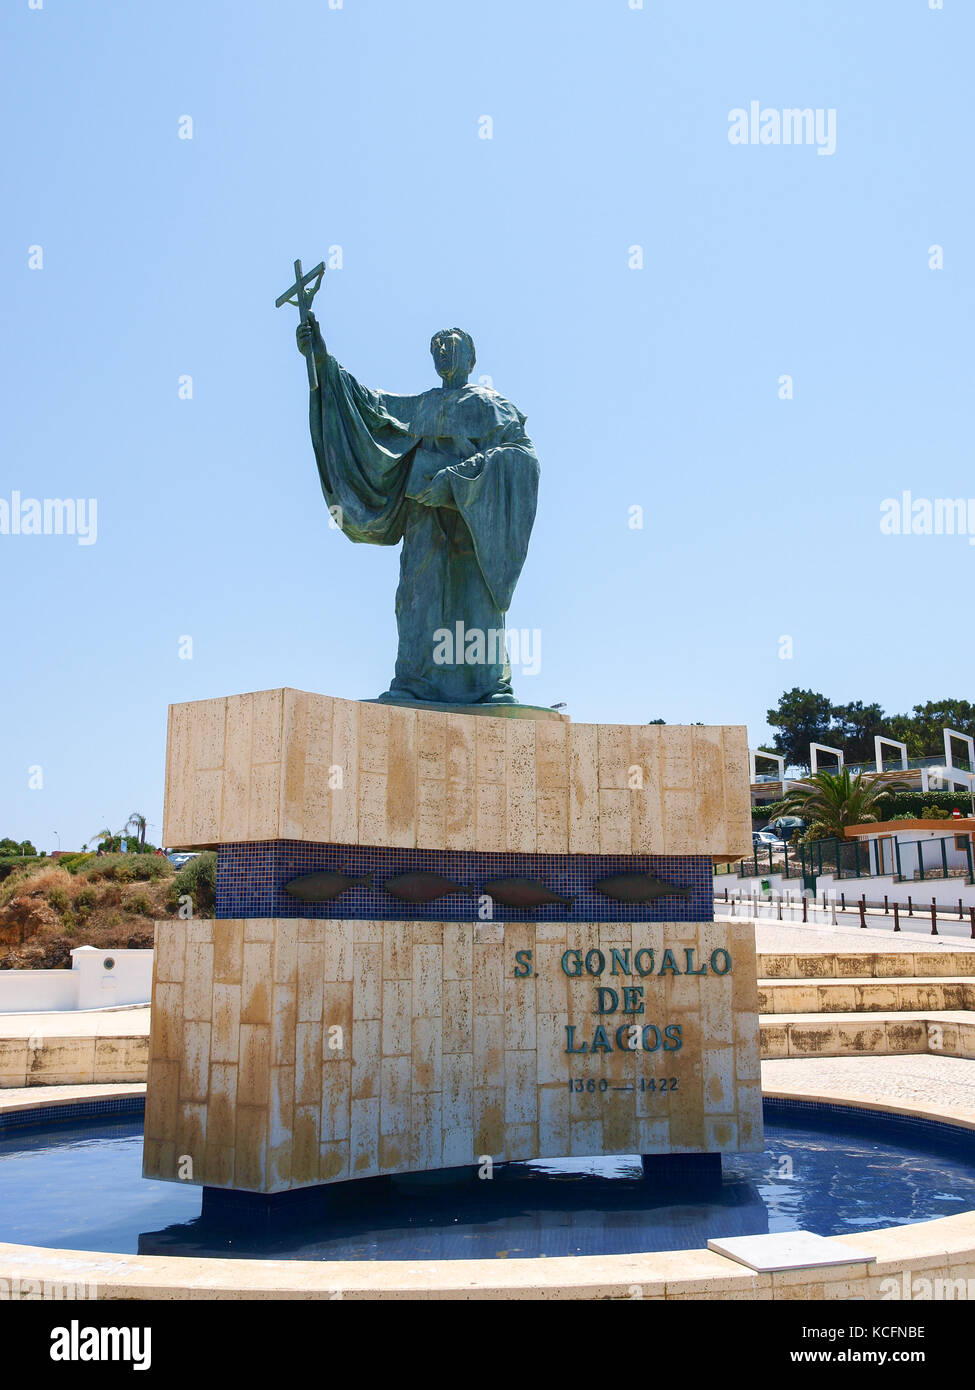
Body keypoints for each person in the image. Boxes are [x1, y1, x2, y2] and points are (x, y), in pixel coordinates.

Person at [297, 317, 539, 705]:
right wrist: (323, 360)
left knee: (475, 601)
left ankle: (486, 685)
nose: (443, 349)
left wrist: (460, 481)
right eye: (436, 345)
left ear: (471, 357)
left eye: (452, 343)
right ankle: (415, 682)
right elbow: (367, 409)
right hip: (423, 523)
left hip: (473, 524)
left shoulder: (492, 405)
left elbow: (522, 459)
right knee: (417, 598)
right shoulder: (421, 406)